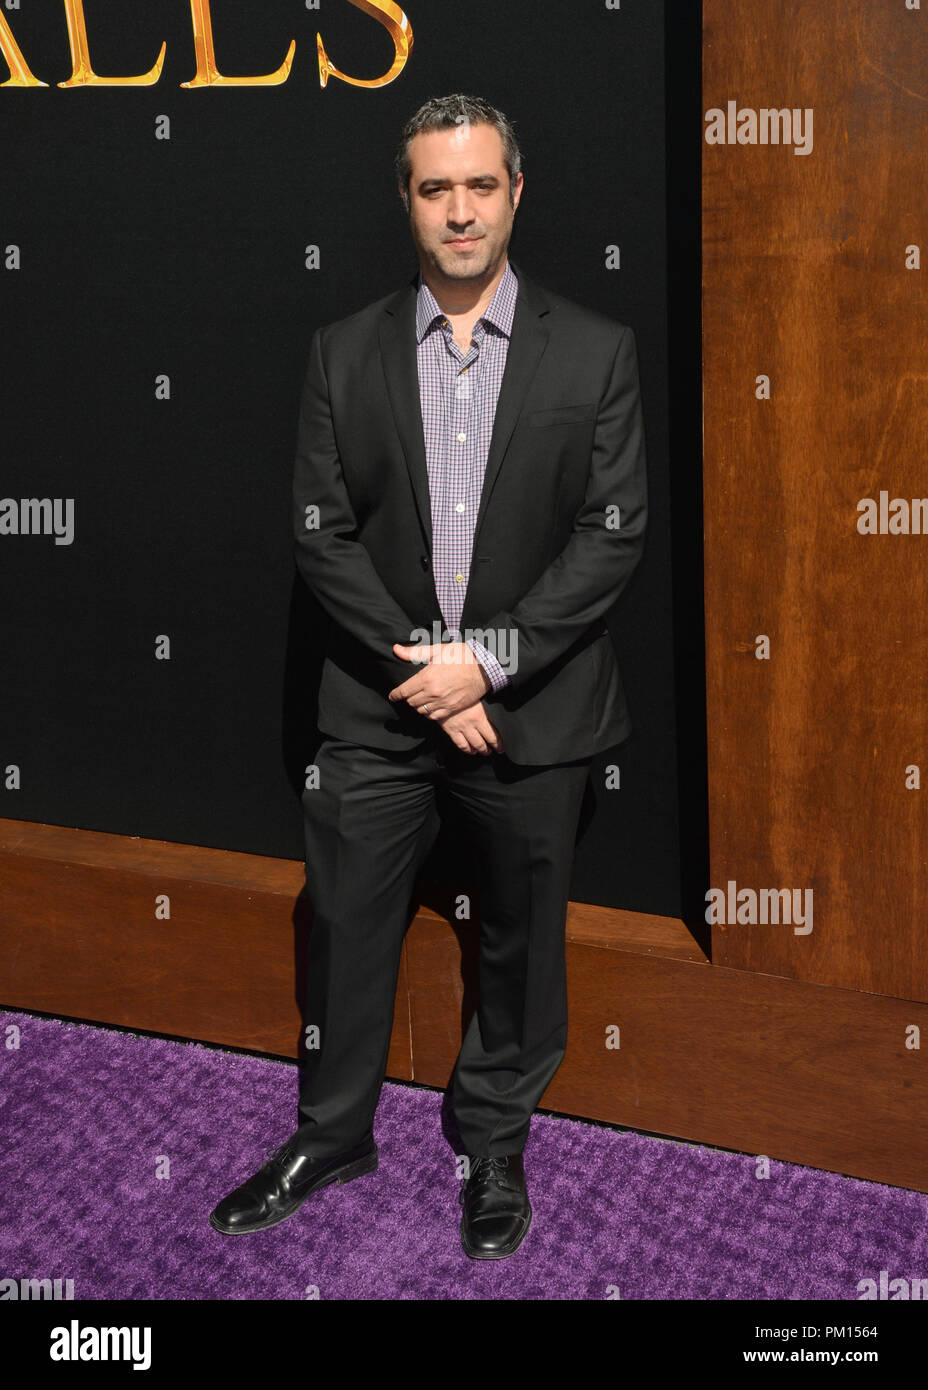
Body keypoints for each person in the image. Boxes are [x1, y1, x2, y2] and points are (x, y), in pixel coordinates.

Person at [210, 93, 648, 1260]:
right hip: (379, 703)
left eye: (480, 185)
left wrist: (488, 666)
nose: (459, 210)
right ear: (404, 200)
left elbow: (612, 532)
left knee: (516, 936)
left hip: (532, 712)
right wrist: (432, 669)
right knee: (345, 924)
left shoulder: (595, 349)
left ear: (516, 192)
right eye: (433, 188)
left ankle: (493, 1142)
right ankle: (333, 1129)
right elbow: (318, 530)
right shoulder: (341, 349)